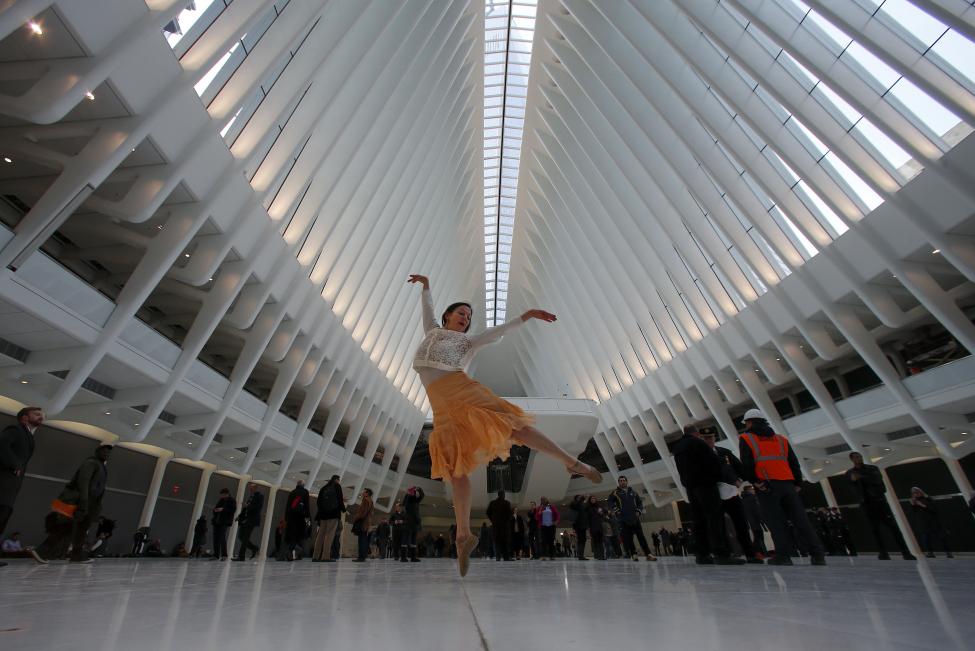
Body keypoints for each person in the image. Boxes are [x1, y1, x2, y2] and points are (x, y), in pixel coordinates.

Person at [408, 274, 602, 576]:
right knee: (455, 468)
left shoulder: (467, 342)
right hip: (441, 406)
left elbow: (499, 331)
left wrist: (527, 316)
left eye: (469, 317)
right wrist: (427, 286)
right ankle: (462, 535)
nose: (465, 318)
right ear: (448, 316)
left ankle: (571, 461)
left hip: (463, 391)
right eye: (461, 313)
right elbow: (427, 311)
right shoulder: (432, 331)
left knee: (513, 426)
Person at [739, 409, 825, 566]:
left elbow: (747, 463)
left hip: (767, 485)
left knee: (775, 521)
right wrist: (798, 483)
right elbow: (793, 462)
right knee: (801, 520)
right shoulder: (781, 439)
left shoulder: (746, 438)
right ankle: (817, 554)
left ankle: (783, 555)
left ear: (749, 422)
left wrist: (755, 481)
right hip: (787, 484)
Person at [673, 426, 744, 565]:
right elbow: (713, 462)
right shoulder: (698, 443)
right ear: (696, 433)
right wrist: (717, 477)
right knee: (714, 518)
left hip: (691, 487)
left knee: (699, 520)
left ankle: (702, 554)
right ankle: (721, 553)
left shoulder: (678, 448)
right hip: (706, 485)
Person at [35, 444, 112, 564]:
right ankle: (43, 551)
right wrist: (84, 502)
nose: (107, 454)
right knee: (66, 527)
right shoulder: (91, 463)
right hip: (81, 502)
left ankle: (76, 554)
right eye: (104, 451)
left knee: (79, 529)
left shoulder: (101, 466)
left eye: (108, 452)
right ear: (97, 452)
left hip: (89, 503)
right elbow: (83, 482)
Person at [701, 430, 763, 563]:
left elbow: (739, 467)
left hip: (731, 493)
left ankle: (749, 553)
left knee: (741, 523)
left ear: (714, 437)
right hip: (714, 494)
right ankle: (725, 554)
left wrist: (739, 479)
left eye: (710, 437)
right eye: (706, 438)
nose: (709, 440)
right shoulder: (700, 456)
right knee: (719, 526)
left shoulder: (724, 452)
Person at [845, 452, 916, 560]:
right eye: (856, 457)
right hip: (866, 504)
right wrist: (854, 480)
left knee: (893, 527)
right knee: (874, 529)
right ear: (852, 459)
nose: (859, 459)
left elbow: (877, 480)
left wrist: (860, 478)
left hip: (879, 501)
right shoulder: (850, 473)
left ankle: (905, 551)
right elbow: (852, 489)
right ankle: (883, 552)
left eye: (859, 456)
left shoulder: (872, 468)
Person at [0, 407, 44, 567]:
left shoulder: (28, 435)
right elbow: (2, 444)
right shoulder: (15, 429)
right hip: (4, 481)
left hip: (11, 486)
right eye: (37, 414)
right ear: (24, 418)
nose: (41, 418)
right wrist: (14, 464)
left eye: (42, 416)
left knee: (3, 516)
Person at [608, 475, 657, 562]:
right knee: (628, 538)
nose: (622, 482)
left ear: (627, 482)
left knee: (641, 537)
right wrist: (616, 510)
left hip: (635, 518)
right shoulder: (615, 493)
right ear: (618, 483)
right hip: (623, 519)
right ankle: (634, 554)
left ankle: (648, 554)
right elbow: (610, 502)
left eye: (624, 480)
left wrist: (638, 511)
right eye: (620, 481)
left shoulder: (634, 492)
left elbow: (640, 503)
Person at [909, 487, 953, 558]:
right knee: (925, 538)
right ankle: (930, 553)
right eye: (914, 493)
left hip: (933, 521)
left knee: (941, 537)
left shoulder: (928, 499)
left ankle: (948, 552)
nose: (916, 494)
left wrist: (922, 505)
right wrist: (913, 505)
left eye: (917, 492)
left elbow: (934, 509)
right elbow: (913, 512)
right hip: (923, 523)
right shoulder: (914, 501)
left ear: (921, 492)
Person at [313, 475, 345, 562]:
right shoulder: (337, 486)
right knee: (329, 535)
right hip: (333, 514)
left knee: (320, 535)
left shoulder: (324, 488)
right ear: (337, 480)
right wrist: (343, 509)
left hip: (323, 515)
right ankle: (325, 556)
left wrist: (321, 511)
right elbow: (340, 499)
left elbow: (319, 501)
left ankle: (315, 556)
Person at [233, 484, 263, 561]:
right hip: (245, 519)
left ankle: (241, 556)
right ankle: (254, 548)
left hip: (252, 520)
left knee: (245, 537)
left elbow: (258, 508)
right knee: (240, 536)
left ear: (256, 488)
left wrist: (247, 506)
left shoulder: (260, 496)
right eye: (250, 488)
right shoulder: (250, 497)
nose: (250, 490)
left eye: (251, 488)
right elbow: (245, 509)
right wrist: (239, 516)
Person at [284, 480, 310, 561]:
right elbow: (306, 504)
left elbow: (288, 505)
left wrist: (286, 517)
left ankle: (295, 554)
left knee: (293, 535)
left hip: (291, 516)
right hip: (300, 516)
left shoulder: (292, 492)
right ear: (303, 485)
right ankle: (291, 551)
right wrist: (308, 516)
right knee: (299, 535)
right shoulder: (305, 492)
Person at [486, 490, 514, 561]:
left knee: (497, 542)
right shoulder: (506, 503)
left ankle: (498, 557)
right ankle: (506, 557)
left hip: (496, 526)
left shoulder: (492, 503)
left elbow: (488, 512)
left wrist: (492, 520)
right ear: (503, 495)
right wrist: (507, 520)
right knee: (505, 542)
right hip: (504, 527)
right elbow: (510, 514)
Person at [740, 484, 767, 555]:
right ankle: (760, 552)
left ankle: (757, 551)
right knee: (759, 536)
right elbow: (757, 510)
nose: (754, 490)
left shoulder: (743, 499)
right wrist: (762, 519)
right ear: (748, 490)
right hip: (755, 520)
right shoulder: (753, 498)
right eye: (752, 489)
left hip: (749, 521)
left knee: (756, 536)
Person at [210, 488, 236, 561]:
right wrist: (215, 510)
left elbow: (233, 510)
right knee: (215, 538)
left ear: (226, 494)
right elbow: (216, 508)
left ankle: (224, 555)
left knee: (222, 537)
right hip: (217, 521)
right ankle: (216, 555)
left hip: (224, 522)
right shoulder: (221, 500)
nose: (221, 496)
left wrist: (223, 509)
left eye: (223, 495)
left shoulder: (232, 500)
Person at [401, 485, 425, 562]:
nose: (415, 494)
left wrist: (419, 489)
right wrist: (409, 492)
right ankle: (404, 557)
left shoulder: (415, 501)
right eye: (414, 492)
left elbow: (422, 496)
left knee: (413, 540)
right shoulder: (408, 501)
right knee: (406, 540)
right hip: (409, 523)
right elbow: (405, 502)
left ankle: (412, 557)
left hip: (414, 523)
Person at [351, 487, 373, 562]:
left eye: (364, 492)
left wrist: (356, 518)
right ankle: (362, 556)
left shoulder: (366, 500)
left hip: (363, 522)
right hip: (366, 522)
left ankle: (361, 557)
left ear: (367, 493)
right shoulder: (370, 500)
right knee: (363, 539)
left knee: (361, 540)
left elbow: (363, 512)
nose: (363, 493)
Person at [568, 495, 591, 560]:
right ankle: (580, 555)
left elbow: (586, 512)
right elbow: (575, 506)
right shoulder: (574, 504)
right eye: (579, 497)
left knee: (583, 540)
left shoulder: (582, 505)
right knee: (581, 540)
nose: (580, 498)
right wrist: (581, 500)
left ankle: (581, 555)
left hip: (583, 525)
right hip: (578, 525)